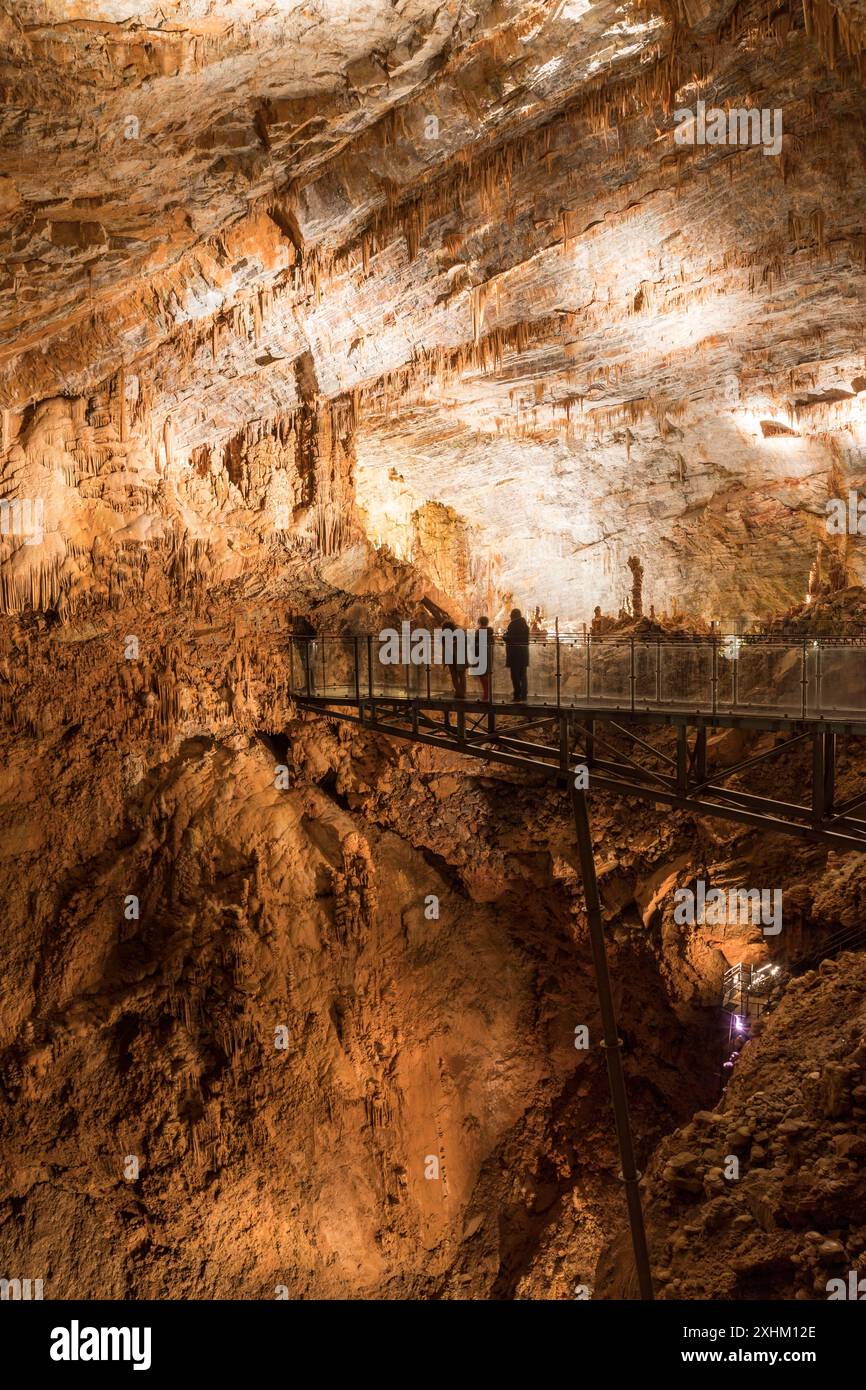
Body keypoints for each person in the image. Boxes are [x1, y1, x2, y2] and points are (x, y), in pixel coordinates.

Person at [504, 608, 530, 701]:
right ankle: (524, 695)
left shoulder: (513, 625)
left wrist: (504, 636)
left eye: (511, 615)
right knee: (523, 675)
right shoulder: (525, 625)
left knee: (515, 675)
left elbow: (510, 638)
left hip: (514, 654)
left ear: (514, 615)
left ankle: (517, 695)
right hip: (524, 653)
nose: (510, 616)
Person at [441, 619, 467, 699]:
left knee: (454, 675)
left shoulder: (445, 635)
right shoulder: (460, 632)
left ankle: (459, 692)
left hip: (450, 656)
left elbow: (444, 647)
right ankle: (462, 692)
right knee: (462, 675)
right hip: (460, 655)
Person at [292, 614, 317, 694]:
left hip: (306, 648)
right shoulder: (307, 626)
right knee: (308, 668)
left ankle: (309, 687)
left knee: (307, 668)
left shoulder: (305, 626)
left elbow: (313, 635)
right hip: (306, 647)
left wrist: (298, 637)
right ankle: (310, 686)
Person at [475, 616, 491, 701]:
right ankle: (487, 694)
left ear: (480, 622)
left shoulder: (479, 631)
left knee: (482, 675)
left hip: (480, 654)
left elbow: (475, 642)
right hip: (488, 653)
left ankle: (485, 695)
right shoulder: (490, 631)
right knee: (486, 674)